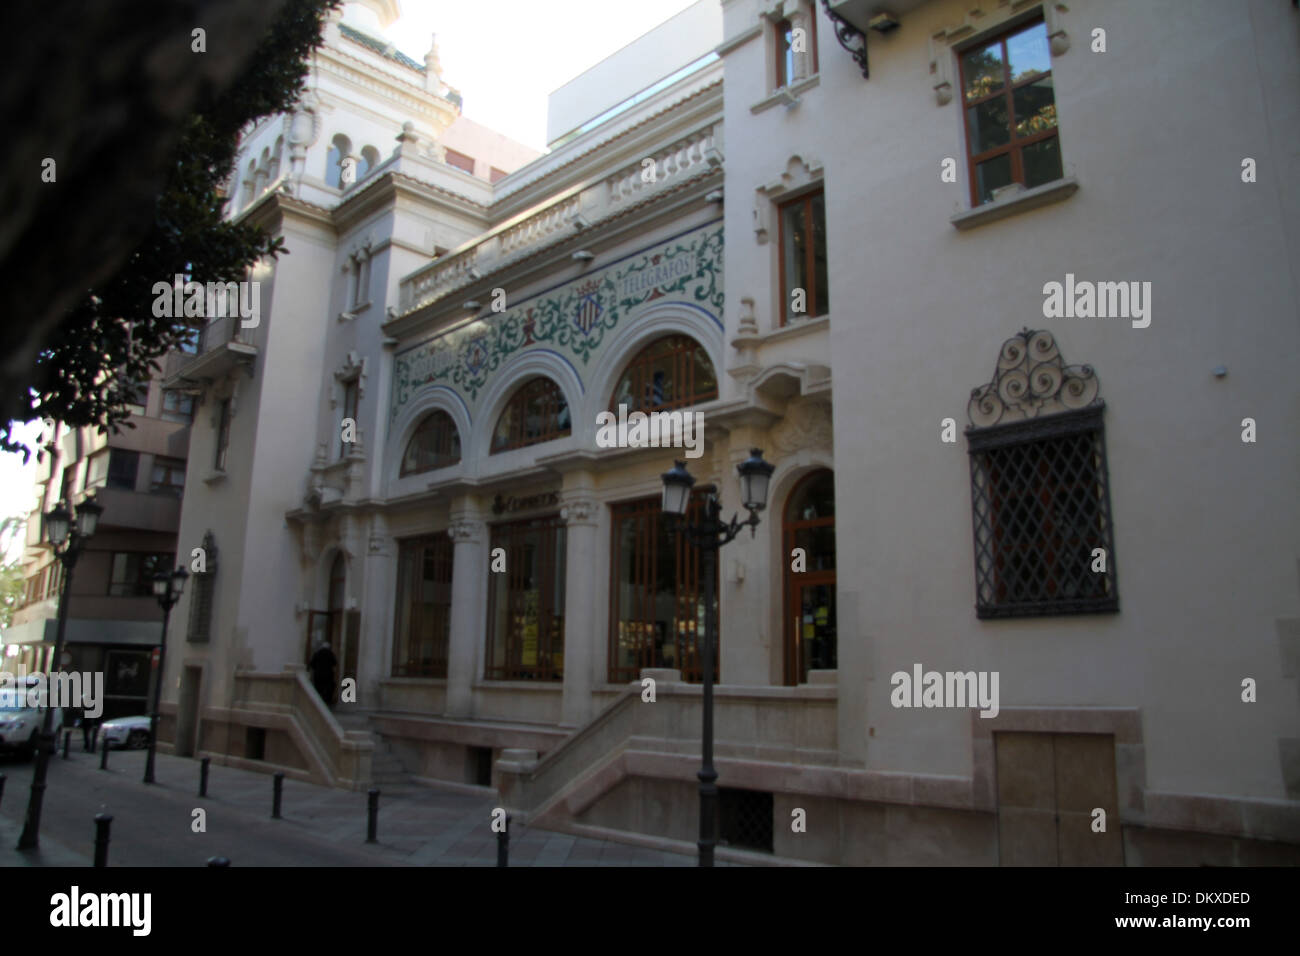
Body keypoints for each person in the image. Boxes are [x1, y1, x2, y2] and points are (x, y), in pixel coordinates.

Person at [308, 639, 338, 709]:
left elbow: (312, 664)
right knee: (328, 689)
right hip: (328, 675)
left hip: (318, 675)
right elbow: (334, 663)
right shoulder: (331, 654)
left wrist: (316, 669)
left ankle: (317, 703)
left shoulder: (317, 653)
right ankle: (326, 702)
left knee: (318, 689)